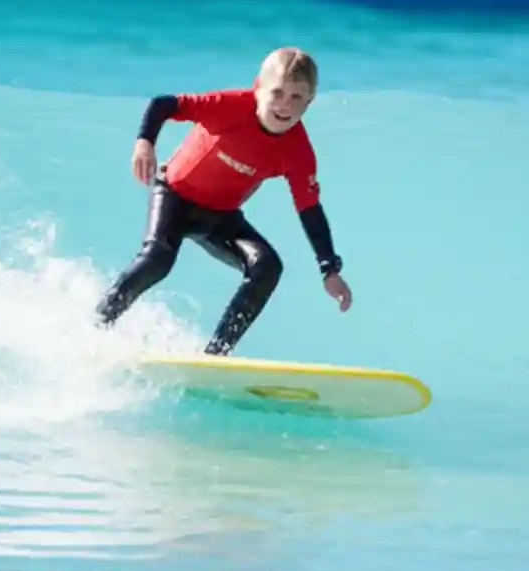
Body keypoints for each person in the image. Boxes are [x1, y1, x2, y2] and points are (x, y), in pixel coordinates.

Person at [94, 47, 353, 356]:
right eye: (277, 93)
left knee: (267, 266)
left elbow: (309, 209)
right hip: (174, 197)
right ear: (258, 88)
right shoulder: (229, 106)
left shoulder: (298, 151)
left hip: (220, 217)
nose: (285, 105)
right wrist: (144, 142)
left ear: (310, 102)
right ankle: (97, 324)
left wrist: (329, 270)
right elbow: (164, 104)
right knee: (158, 259)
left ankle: (216, 353)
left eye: (297, 97)